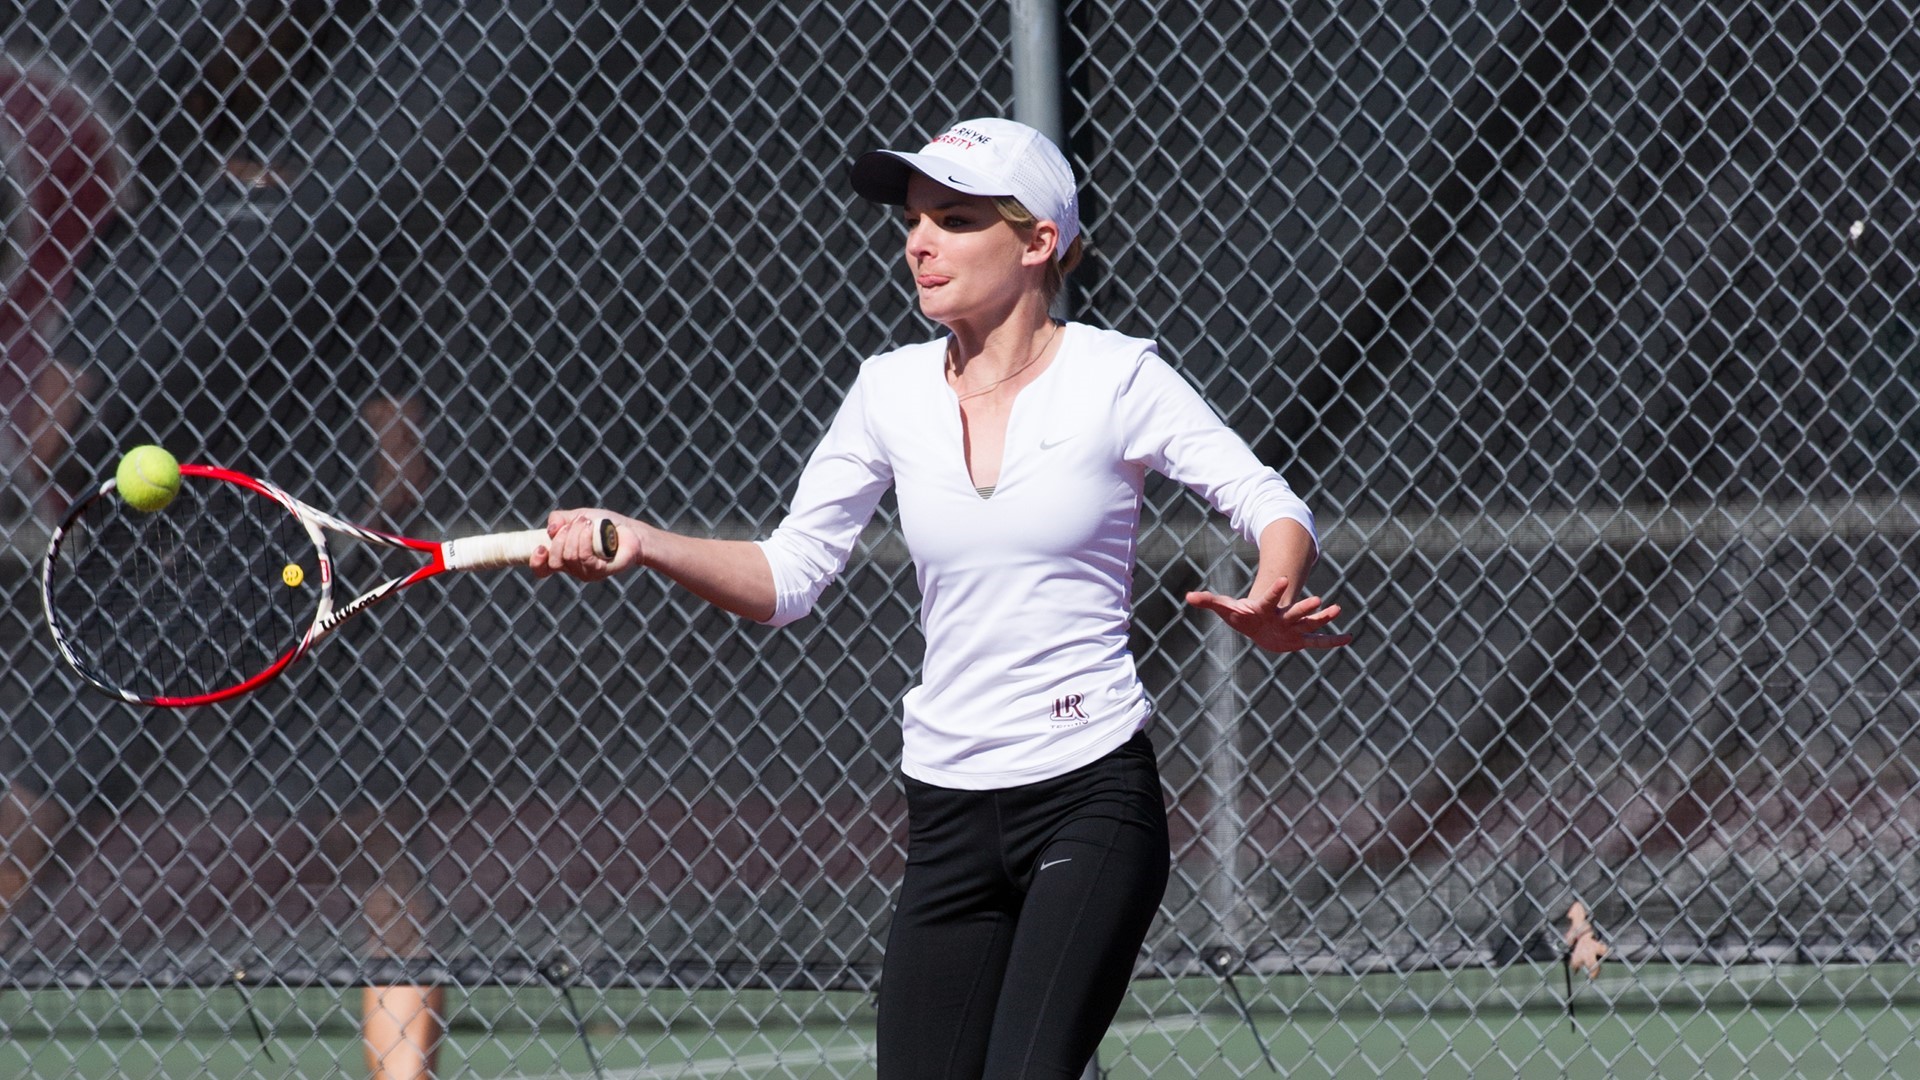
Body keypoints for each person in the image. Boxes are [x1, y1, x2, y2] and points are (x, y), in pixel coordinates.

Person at [534, 117, 1351, 1079]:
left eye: (956, 219)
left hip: (1088, 795)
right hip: (948, 813)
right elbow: (790, 578)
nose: (919, 242)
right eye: (914, 219)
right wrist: (646, 543)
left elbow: (1266, 499)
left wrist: (1273, 578)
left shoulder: (1117, 377)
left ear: (1039, 240)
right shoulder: (888, 392)